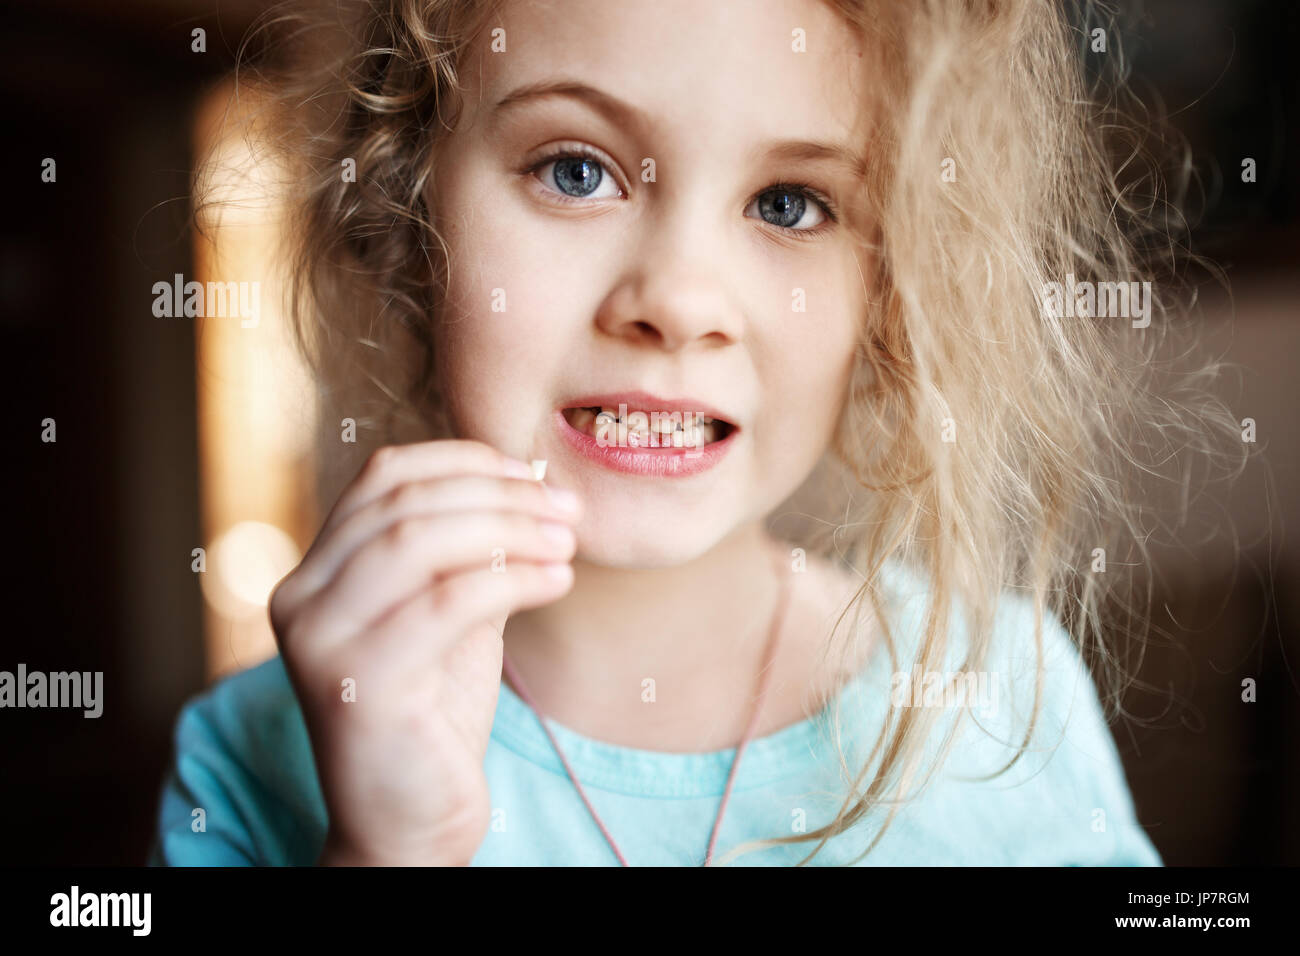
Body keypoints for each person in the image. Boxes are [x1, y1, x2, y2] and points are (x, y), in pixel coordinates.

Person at [150, 0, 1237, 866]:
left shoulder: (1003, 699)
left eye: (789, 204)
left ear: (890, 292)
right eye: (575, 170)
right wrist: (391, 852)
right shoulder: (256, 753)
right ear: (407, 214)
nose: (675, 298)